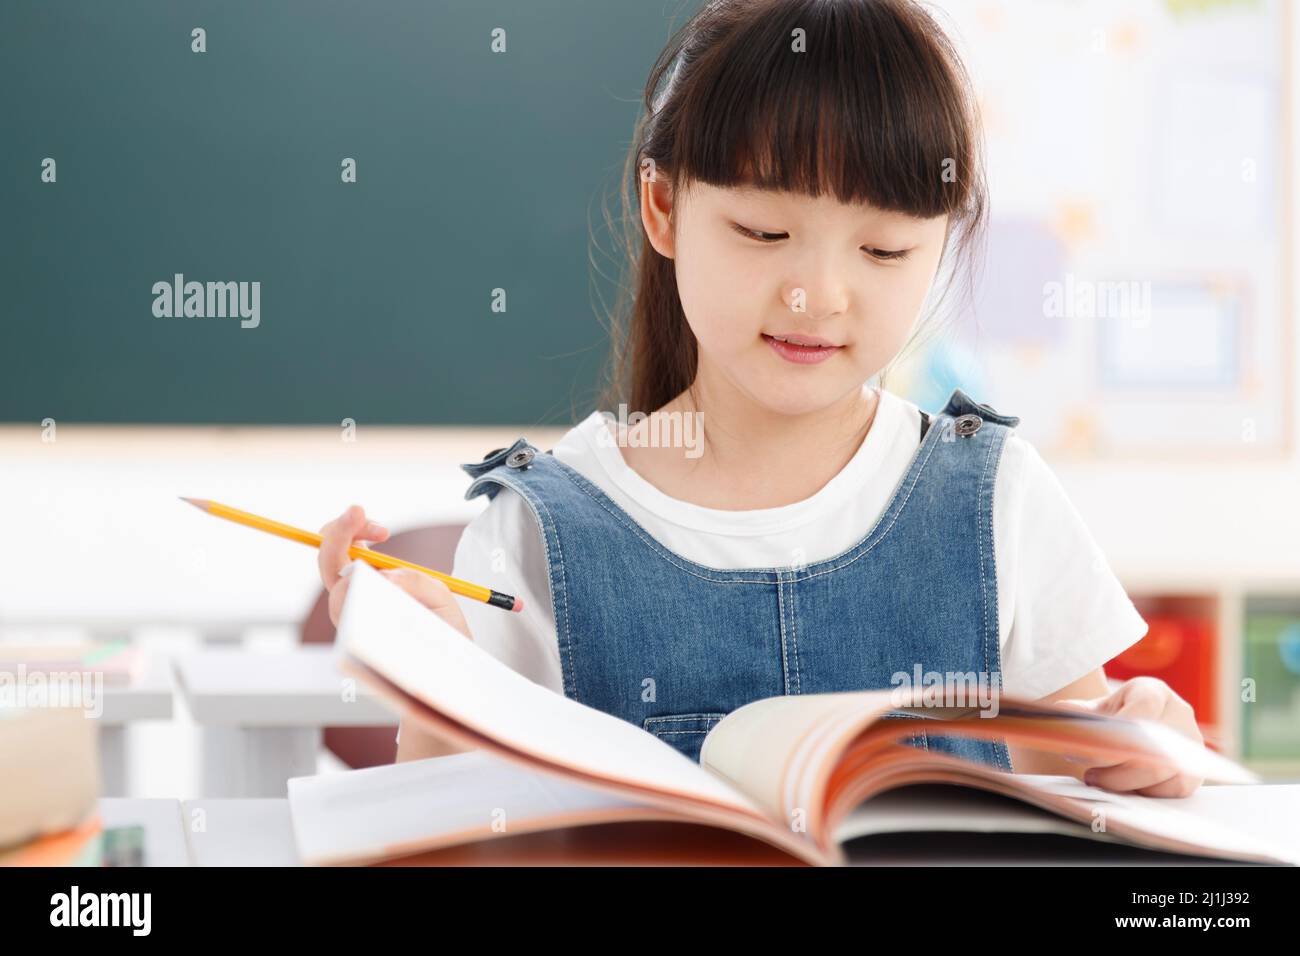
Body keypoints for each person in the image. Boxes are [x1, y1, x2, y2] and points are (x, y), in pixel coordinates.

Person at [320, 0, 1203, 797]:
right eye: (764, 232)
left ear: (941, 246)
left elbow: (1088, 768)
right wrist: (426, 678)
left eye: (884, 251)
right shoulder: (539, 533)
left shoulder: (996, 498)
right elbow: (451, 823)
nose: (817, 295)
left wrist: (1143, 745)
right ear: (663, 209)